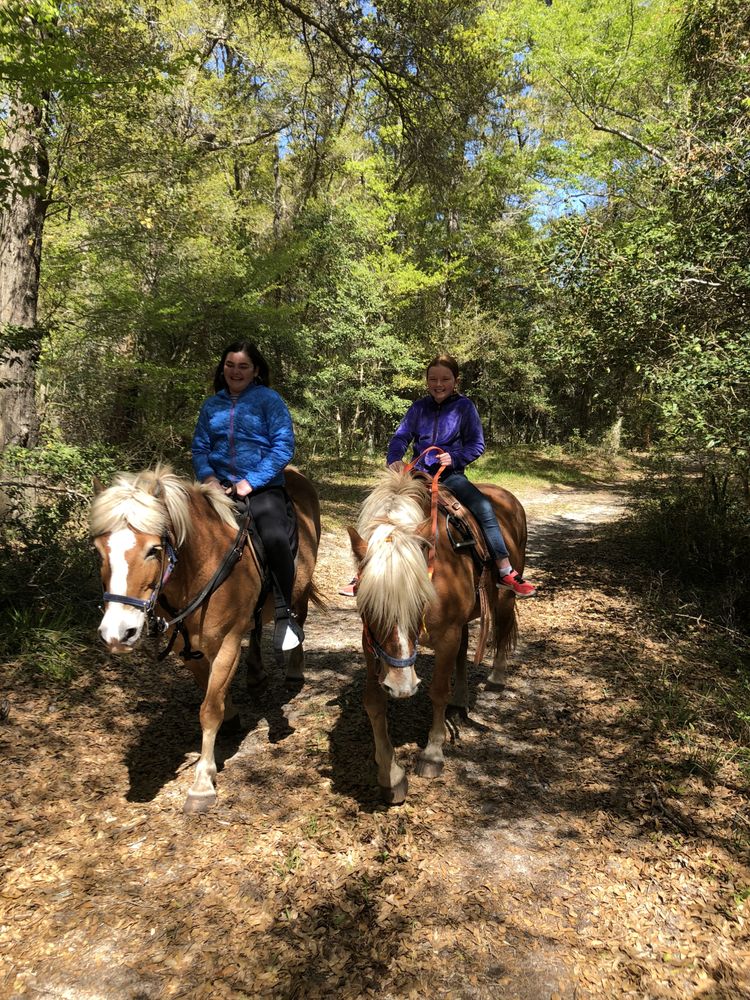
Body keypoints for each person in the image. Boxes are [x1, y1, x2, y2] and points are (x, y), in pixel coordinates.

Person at [340, 353, 536, 598]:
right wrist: (395, 460)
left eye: (445, 378)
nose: (439, 384)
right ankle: (365, 572)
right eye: (433, 379)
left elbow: (476, 444)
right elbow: (401, 437)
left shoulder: (465, 407)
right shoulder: (418, 407)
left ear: (456, 380)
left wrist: (455, 457)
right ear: (427, 381)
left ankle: (505, 568)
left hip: (450, 476)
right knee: (383, 512)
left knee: (483, 507)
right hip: (417, 476)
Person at [192, 341, 305, 651]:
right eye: (230, 365)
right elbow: (200, 448)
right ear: (222, 367)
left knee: (275, 537)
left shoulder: (269, 401)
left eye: (243, 366)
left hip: (261, 486)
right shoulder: (211, 405)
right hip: (215, 487)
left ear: (256, 370)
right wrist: (209, 478)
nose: (236, 371)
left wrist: (248, 483)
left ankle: (284, 614)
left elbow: (283, 447)